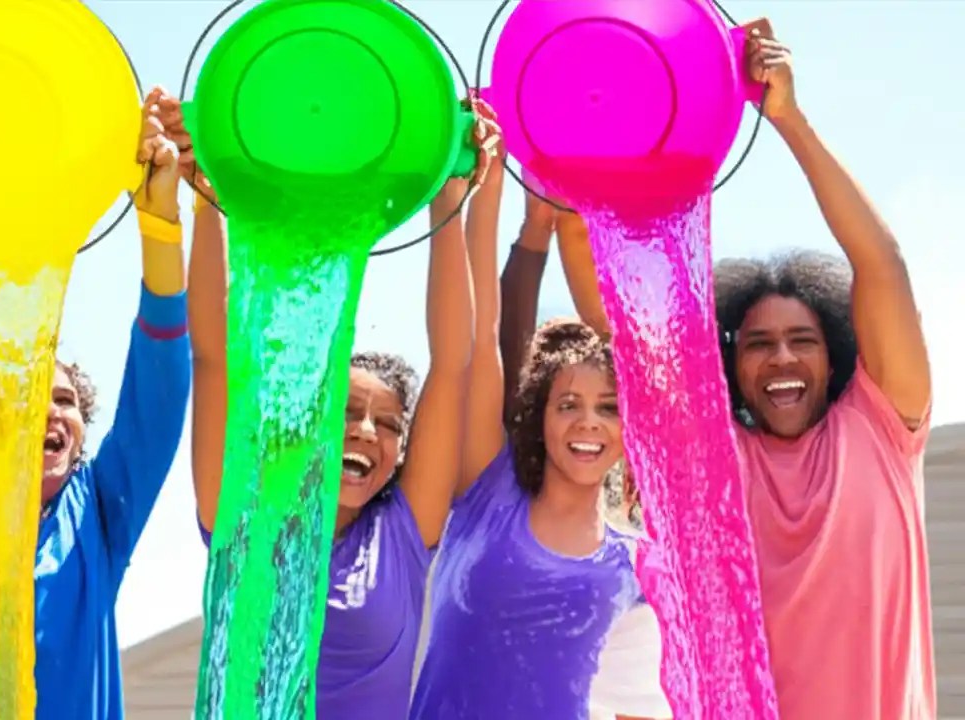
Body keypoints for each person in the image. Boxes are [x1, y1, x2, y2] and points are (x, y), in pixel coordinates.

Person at [555, 20, 933, 720]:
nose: (782, 358)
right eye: (758, 343)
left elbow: (884, 264)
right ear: (733, 361)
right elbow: (619, 319)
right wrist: (570, 154)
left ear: (838, 355)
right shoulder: (715, 458)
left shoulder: (883, 429)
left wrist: (789, 119)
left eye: (802, 341)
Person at [182, 102, 496, 716]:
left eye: (388, 426)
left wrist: (450, 200)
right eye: (347, 414)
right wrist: (205, 204)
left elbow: (452, 362)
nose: (366, 433)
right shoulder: (245, 514)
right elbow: (213, 358)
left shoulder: (404, 532)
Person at [410, 120, 669, 718]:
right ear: (538, 417)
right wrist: (488, 183)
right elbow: (480, 340)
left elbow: (640, 708)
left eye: (609, 409)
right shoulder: (487, 491)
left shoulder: (637, 563)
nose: (588, 424)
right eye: (568, 405)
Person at [0, 87, 192, 720]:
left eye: (63, 400)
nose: (48, 414)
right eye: (26, 398)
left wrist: (158, 224)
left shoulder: (95, 511)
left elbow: (161, 390)